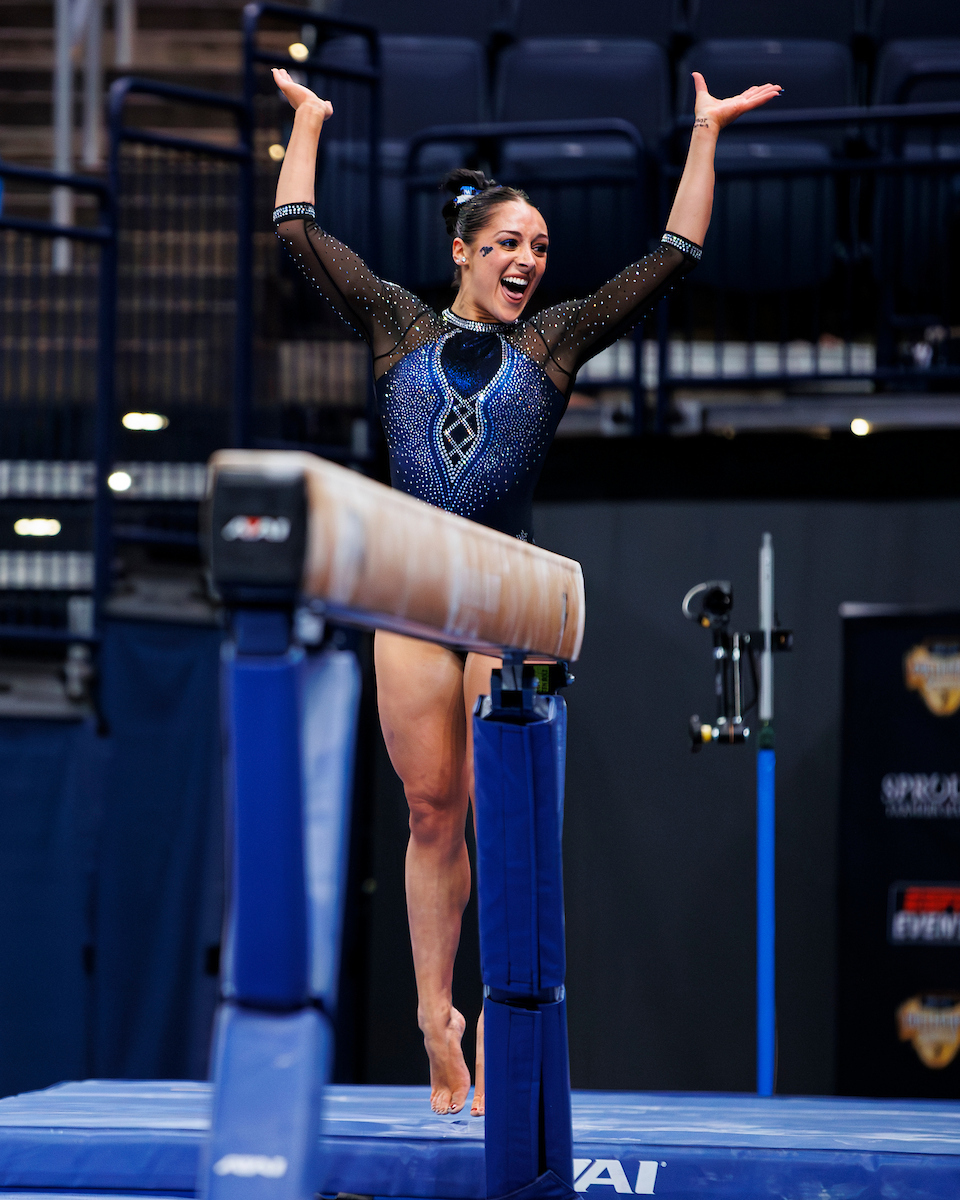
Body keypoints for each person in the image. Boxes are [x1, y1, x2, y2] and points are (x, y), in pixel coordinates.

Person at [270, 64, 781, 1116]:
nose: (526, 260)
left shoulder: (551, 345)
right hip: (412, 596)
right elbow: (296, 229)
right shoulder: (398, 329)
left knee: (500, 816)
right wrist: (310, 121)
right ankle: (432, 1017)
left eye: (540, 249)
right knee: (429, 810)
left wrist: (706, 137)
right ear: (462, 250)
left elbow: (673, 256)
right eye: (507, 244)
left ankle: (508, 1012)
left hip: (502, 600)